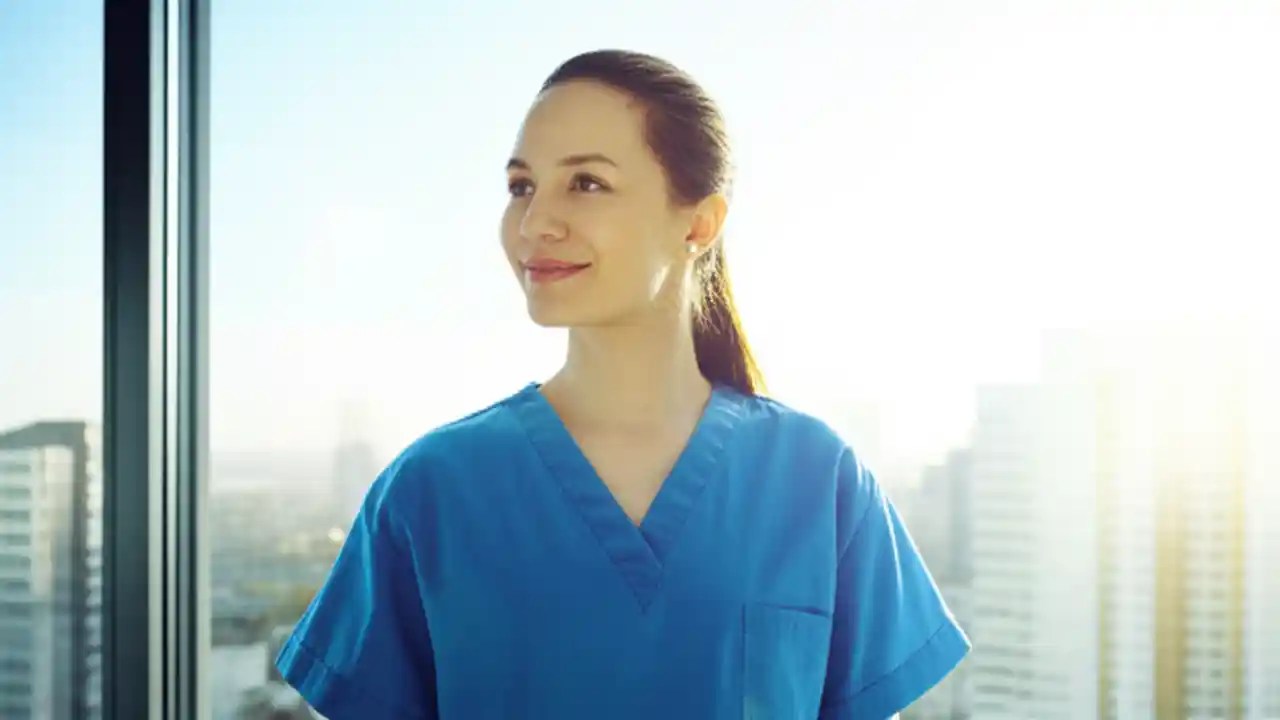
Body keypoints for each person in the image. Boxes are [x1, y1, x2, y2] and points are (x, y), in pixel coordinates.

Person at [275, 48, 970, 719]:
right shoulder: (430, 490)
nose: (535, 223)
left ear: (700, 222)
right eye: (521, 187)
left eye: (586, 183)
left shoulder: (819, 480)